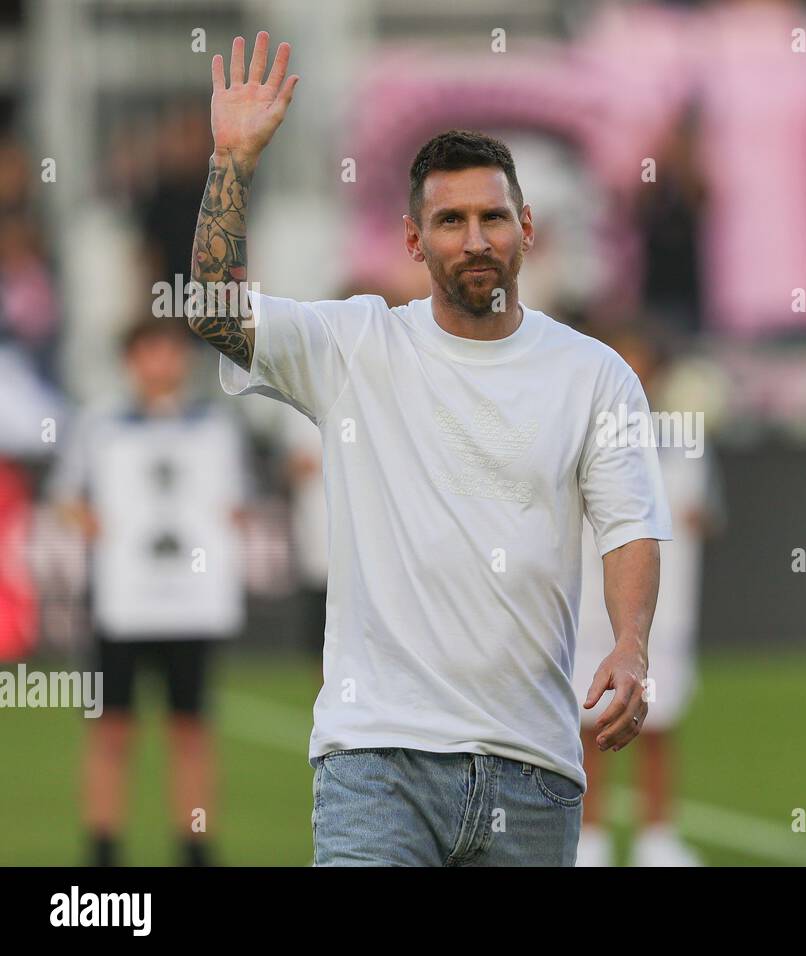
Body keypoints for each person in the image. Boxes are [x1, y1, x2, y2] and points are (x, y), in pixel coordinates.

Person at [189, 33, 671, 866]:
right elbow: (211, 311)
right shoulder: (353, 345)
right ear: (414, 240)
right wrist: (232, 157)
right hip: (376, 762)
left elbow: (629, 522)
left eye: (492, 218)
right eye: (450, 221)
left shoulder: (595, 375)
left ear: (526, 228)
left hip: (532, 766)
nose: (474, 239)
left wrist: (630, 645)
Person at [48, 316, 249, 867]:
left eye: (169, 352)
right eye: (148, 352)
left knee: (191, 728)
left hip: (191, 604)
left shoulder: (215, 427)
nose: (160, 363)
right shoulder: (99, 426)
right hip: (123, 601)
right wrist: (96, 524)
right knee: (112, 728)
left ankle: (195, 848)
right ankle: (104, 852)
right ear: (130, 361)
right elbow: (67, 497)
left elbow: (237, 507)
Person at [571, 326, 724, 866]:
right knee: (590, 726)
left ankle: (656, 838)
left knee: (658, 724)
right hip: (592, 609)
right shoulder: (582, 432)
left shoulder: (684, 441)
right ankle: (585, 837)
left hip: (667, 615)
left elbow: (707, 514)